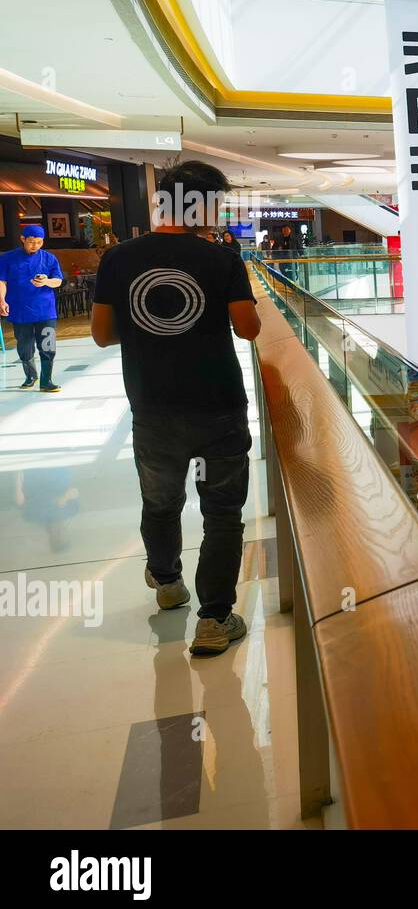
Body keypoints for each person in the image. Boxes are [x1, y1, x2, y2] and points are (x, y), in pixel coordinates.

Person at [91, 161, 262, 658]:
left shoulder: (118, 258)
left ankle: (168, 582)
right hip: (218, 409)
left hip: (152, 407)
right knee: (223, 514)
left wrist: (148, 328)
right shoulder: (221, 259)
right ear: (204, 205)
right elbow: (247, 329)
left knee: (161, 502)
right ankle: (213, 620)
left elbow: (102, 335)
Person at [0, 224, 64, 392]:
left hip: (45, 310)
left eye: (39, 242)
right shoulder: (7, 258)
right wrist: (2, 300)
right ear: (23, 239)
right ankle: (30, 376)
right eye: (31, 242)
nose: (35, 245)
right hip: (20, 309)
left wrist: (46, 281)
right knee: (24, 346)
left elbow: (58, 280)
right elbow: (2, 281)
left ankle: (46, 380)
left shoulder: (49, 258)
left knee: (48, 345)